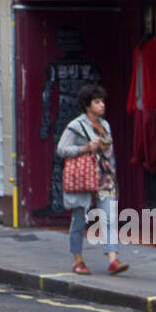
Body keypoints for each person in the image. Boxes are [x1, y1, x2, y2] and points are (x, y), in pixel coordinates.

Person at [55, 83, 129, 275]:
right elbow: (61, 149)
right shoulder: (76, 126)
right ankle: (78, 260)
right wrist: (85, 148)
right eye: (97, 102)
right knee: (79, 220)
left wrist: (113, 175)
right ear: (88, 106)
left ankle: (113, 259)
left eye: (102, 101)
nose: (102, 105)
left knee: (109, 219)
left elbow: (109, 154)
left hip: (105, 179)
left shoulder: (105, 125)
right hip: (85, 180)